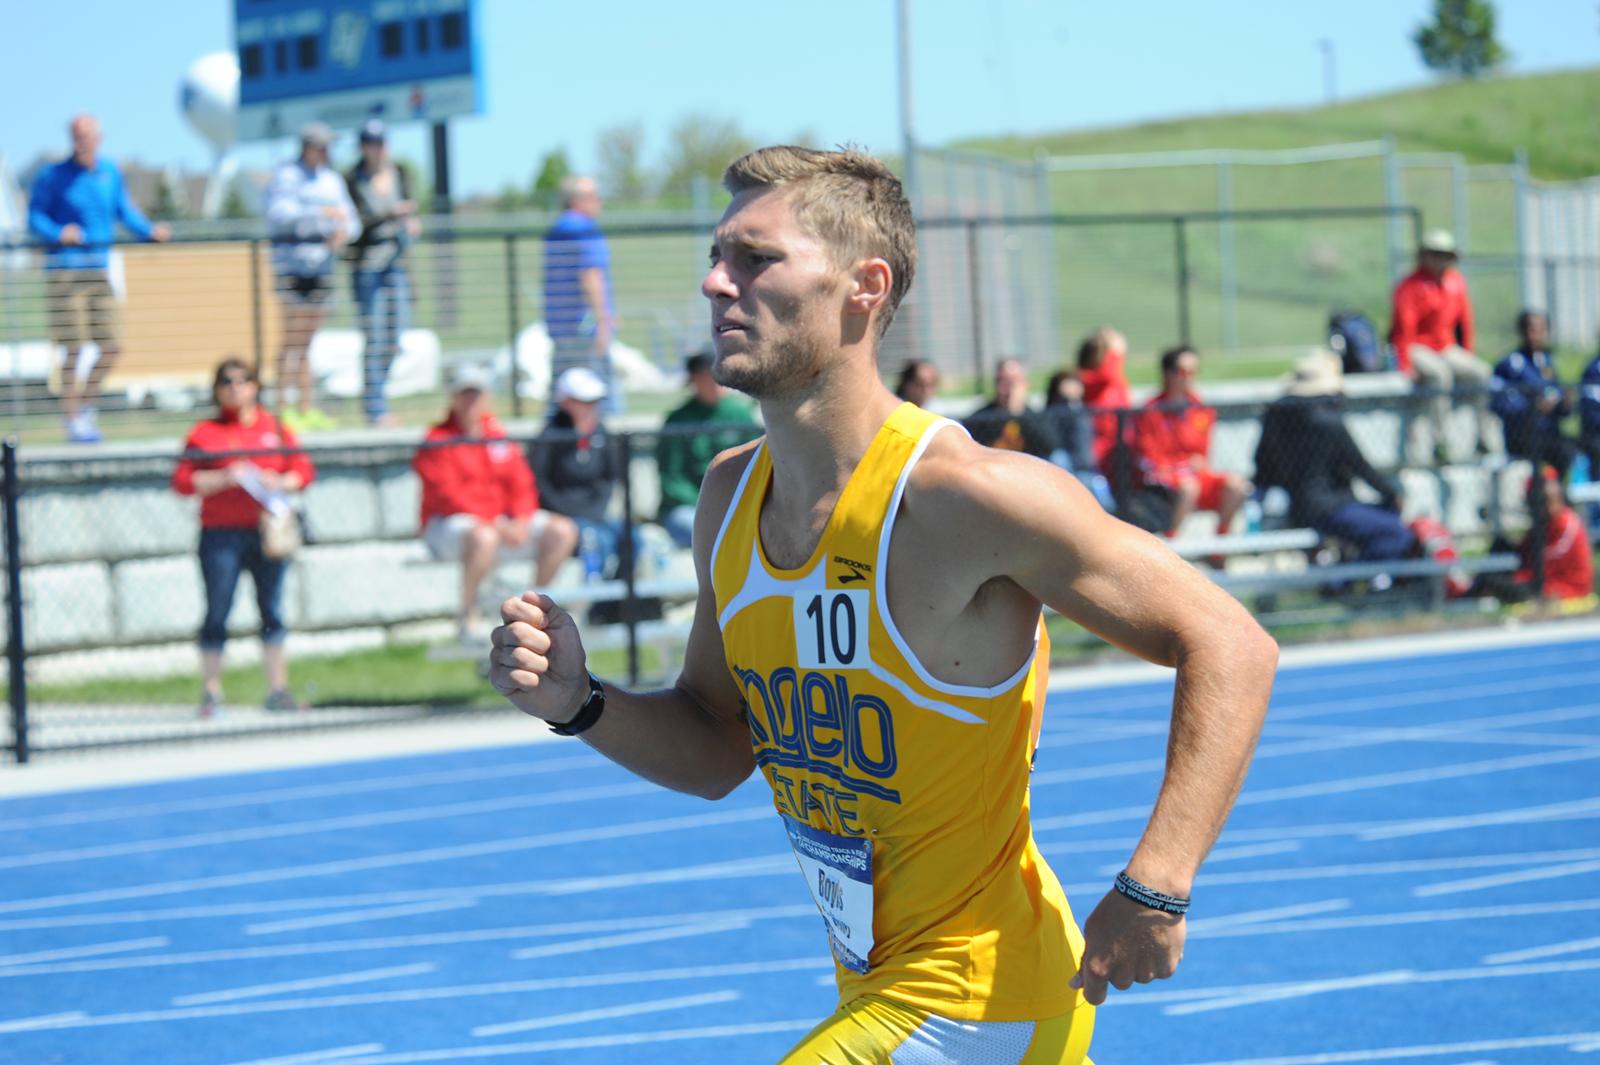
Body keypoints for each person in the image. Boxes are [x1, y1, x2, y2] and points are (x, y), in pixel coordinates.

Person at [489, 146, 1277, 1064]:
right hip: (882, 989)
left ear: (864, 286)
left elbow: (1231, 641)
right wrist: (579, 703)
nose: (714, 283)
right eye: (717, 255)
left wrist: (1158, 883)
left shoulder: (963, 498)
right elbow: (714, 745)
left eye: (755, 257)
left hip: (986, 994)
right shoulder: (728, 498)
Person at [172, 358, 315, 718]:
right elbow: (183, 482)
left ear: (255, 386)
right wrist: (225, 478)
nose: (235, 388)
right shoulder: (204, 433)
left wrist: (278, 482)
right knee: (217, 611)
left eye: (242, 380)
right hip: (220, 534)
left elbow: (302, 471)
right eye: (226, 381)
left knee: (272, 610)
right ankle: (211, 691)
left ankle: (277, 688)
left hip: (266, 530)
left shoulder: (275, 429)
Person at [27, 114, 171, 443]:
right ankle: (71, 417)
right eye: (77, 136)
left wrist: (150, 230)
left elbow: (123, 211)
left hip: (99, 268)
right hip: (65, 270)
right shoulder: (53, 175)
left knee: (112, 345)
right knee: (74, 348)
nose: (82, 141)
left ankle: (85, 407)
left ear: (99, 137)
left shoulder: (109, 171)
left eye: (88, 135)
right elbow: (35, 215)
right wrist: (57, 232)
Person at [414, 364, 578, 644]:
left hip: (501, 521)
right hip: (449, 523)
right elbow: (448, 496)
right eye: (465, 394)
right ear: (452, 398)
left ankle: (533, 611)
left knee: (562, 530)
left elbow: (521, 484)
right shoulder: (437, 439)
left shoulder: (497, 434)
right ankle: (468, 617)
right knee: (484, 536)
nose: (471, 401)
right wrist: (500, 525)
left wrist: (522, 520)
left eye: (477, 393)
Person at [1254, 351, 1415, 564]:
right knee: (1397, 533)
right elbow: (1360, 466)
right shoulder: (1328, 423)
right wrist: (1393, 493)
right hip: (1330, 508)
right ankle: (1346, 583)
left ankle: (1347, 576)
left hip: (1299, 505)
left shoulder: (1275, 417)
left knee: (1385, 522)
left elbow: (1262, 465)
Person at [263, 122, 360, 431]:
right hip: (292, 267)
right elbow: (279, 214)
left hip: (321, 268)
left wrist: (343, 232)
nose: (328, 151)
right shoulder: (286, 176)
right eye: (323, 145)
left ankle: (306, 408)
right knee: (290, 338)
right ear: (308, 147)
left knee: (307, 342)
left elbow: (351, 219)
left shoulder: (331, 180)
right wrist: (320, 216)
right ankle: (282, 408)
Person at [1389, 229, 1494, 464]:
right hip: (1418, 346)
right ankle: (1440, 440)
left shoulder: (1455, 283)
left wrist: (1467, 353)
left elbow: (1465, 323)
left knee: (1481, 372)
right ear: (1424, 256)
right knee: (1440, 375)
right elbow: (1403, 328)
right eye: (1435, 254)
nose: (1440, 260)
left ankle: (1483, 435)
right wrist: (1405, 365)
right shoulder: (1409, 286)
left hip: (1445, 346)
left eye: (1445, 255)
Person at [344, 119, 419, 427]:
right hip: (367, 265)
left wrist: (411, 222)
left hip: (397, 262)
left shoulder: (400, 172)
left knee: (396, 335)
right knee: (374, 335)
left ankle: (378, 395)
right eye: (370, 143)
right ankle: (375, 408)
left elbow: (410, 211)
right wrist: (388, 214)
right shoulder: (352, 179)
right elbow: (354, 223)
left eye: (381, 142)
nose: (377, 149)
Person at [1133, 346, 1251, 537]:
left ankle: (1220, 543)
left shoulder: (1201, 408)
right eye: (1184, 371)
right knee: (1189, 487)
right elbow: (1148, 458)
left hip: (1194, 475)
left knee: (1236, 485)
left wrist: (1189, 465)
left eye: (1194, 371)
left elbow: (1201, 457)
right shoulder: (1151, 410)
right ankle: (1172, 542)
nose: (1190, 377)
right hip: (1166, 480)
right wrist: (1181, 466)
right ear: (1168, 374)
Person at [529, 367, 635, 578]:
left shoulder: (601, 433)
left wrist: (594, 511)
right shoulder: (550, 436)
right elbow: (539, 484)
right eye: (584, 401)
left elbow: (609, 479)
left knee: (634, 539)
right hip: (564, 517)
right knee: (595, 541)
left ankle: (623, 602)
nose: (591, 407)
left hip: (596, 516)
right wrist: (572, 514)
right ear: (566, 402)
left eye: (594, 401)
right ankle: (595, 601)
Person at [655, 351, 761, 548]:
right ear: (693, 380)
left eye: (716, 374)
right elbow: (671, 478)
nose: (713, 381)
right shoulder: (678, 420)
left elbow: (758, 464)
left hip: (737, 503)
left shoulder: (740, 414)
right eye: (705, 375)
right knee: (692, 526)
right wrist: (709, 505)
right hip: (690, 507)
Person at [543, 175, 619, 412]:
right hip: (584, 329)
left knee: (562, 396)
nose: (599, 202)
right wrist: (603, 320)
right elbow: (590, 276)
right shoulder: (585, 229)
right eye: (595, 196)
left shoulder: (557, 229)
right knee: (601, 397)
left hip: (561, 328)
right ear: (578, 200)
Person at [1475, 467, 1594, 604]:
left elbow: (1544, 563)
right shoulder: (1543, 524)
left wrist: (1516, 576)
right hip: (1538, 581)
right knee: (1500, 545)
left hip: (1561, 589)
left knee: (1496, 583)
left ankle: (1471, 597)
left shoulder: (1567, 523)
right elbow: (1525, 551)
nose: (1542, 505)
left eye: (1547, 499)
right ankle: (1468, 596)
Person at [1490, 310, 1575, 477]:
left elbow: (1556, 396)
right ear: (1521, 332)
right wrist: (1532, 408)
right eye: (1530, 329)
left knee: (1568, 449)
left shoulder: (1547, 363)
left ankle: (1558, 493)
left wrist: (1564, 404)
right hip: (1522, 436)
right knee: (1537, 454)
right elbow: (1500, 403)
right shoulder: (1509, 364)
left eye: (1539, 330)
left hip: (1548, 432)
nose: (1534, 335)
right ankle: (1536, 495)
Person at [1044, 368, 1115, 510]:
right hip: (1067, 470)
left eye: (1076, 382)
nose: (1074, 386)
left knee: (1104, 499)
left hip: (1089, 469)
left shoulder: (1083, 409)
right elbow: (1051, 440)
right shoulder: (1053, 413)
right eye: (1068, 383)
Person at [963, 357, 1059, 459]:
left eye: (1012, 382)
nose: (1006, 388)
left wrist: (1017, 412)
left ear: (1025, 384)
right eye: (1001, 381)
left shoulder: (1035, 418)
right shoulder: (981, 418)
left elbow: (1050, 446)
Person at [1077, 326, 1132, 476]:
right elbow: (1108, 374)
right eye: (1107, 352)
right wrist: (1116, 352)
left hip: (1121, 440)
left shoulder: (1118, 379)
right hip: (1100, 444)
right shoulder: (1088, 377)